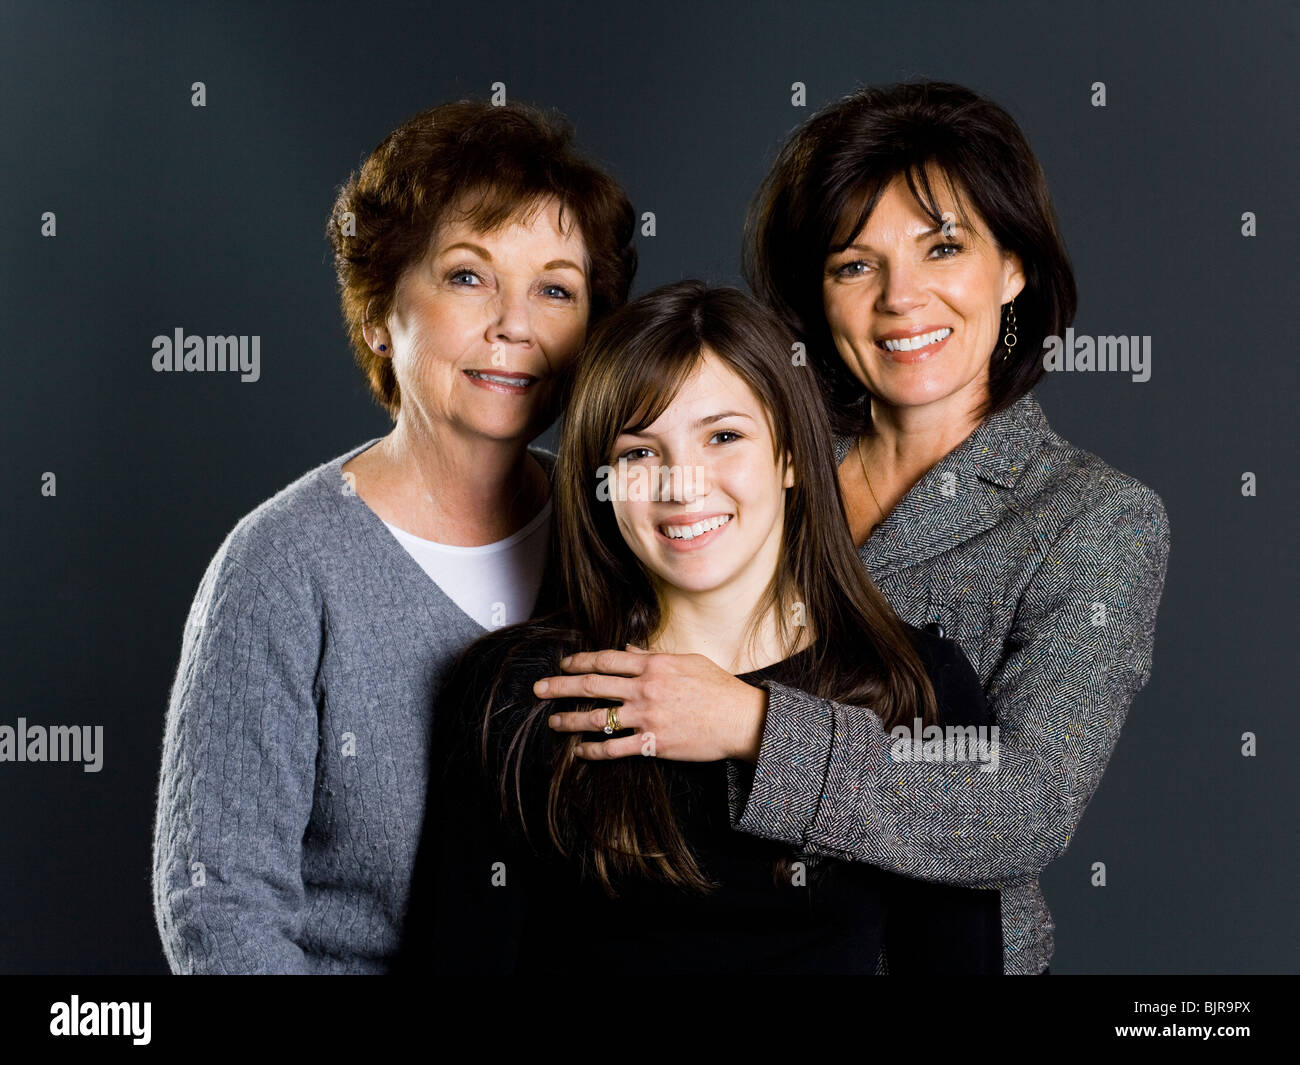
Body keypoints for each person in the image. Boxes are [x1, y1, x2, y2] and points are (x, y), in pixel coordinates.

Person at [539, 81, 1171, 975]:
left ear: (1015, 266)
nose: (900, 299)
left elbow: (1021, 808)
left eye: (942, 247)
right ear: (817, 295)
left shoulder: (1095, 520)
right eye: (854, 264)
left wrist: (757, 724)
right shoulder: (754, 467)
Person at [150, 99, 635, 973]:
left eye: (556, 289)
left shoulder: (622, 530)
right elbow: (220, 909)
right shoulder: (283, 566)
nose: (515, 324)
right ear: (379, 312)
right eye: (467, 276)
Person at [397, 281, 1003, 975]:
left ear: (791, 456)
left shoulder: (917, 688)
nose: (683, 485)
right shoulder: (519, 692)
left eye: (723, 436)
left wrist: (759, 727)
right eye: (639, 452)